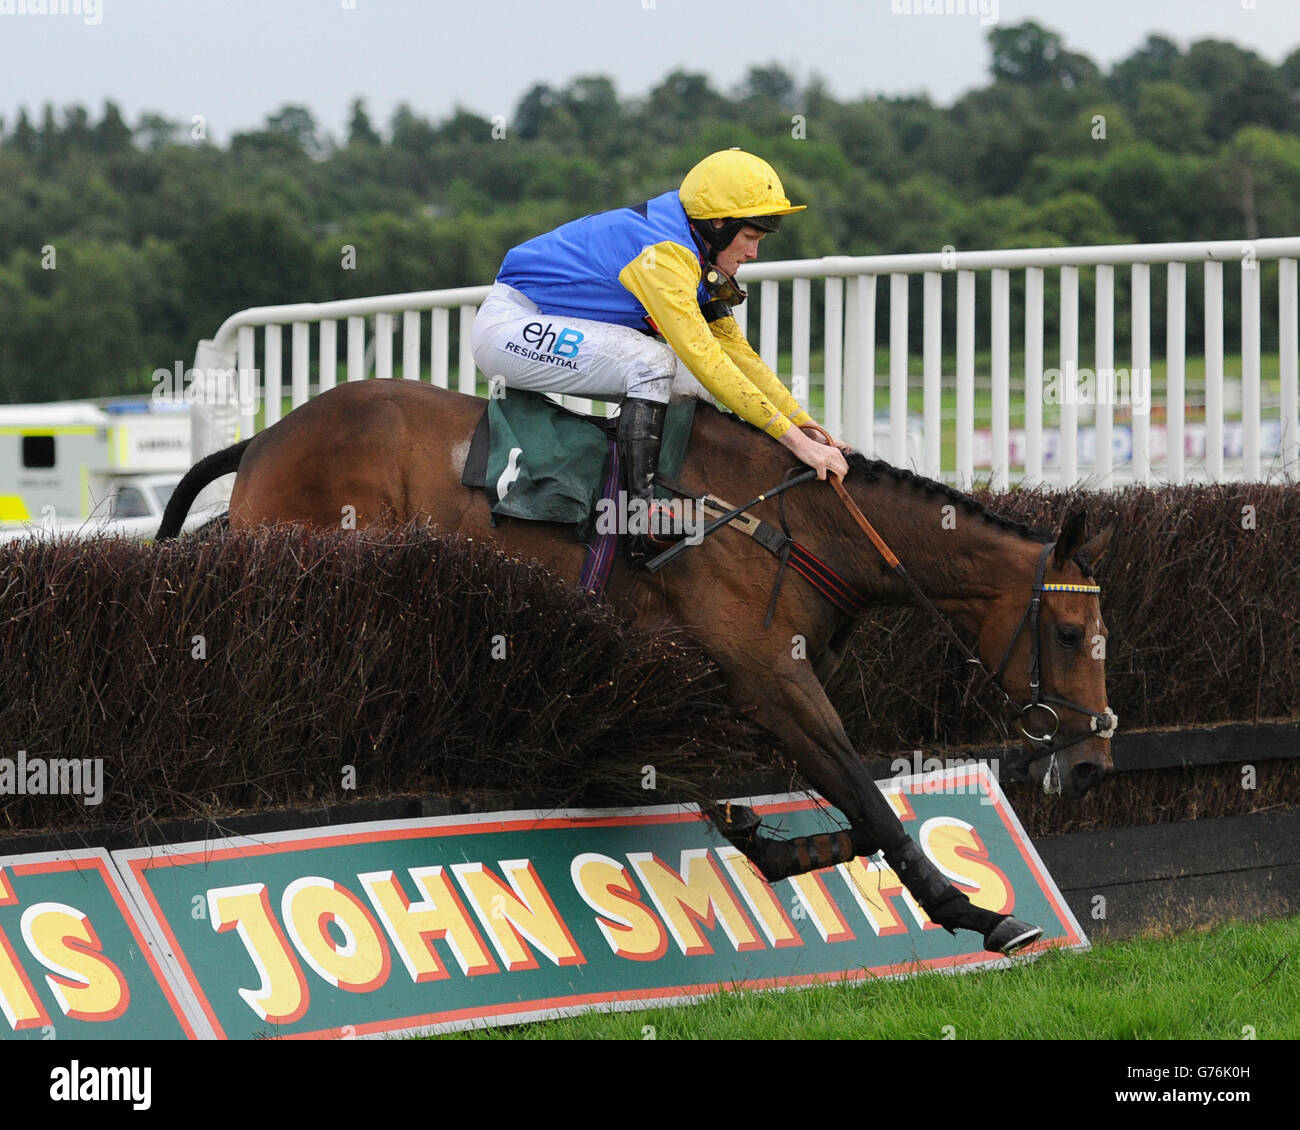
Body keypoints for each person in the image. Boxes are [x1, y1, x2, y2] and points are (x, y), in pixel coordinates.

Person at [470, 147, 850, 563]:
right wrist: (797, 444)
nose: (753, 254)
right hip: (510, 325)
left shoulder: (695, 247)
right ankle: (642, 515)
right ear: (718, 224)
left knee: (689, 383)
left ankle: (672, 492)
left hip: (539, 323)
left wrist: (808, 427)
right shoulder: (664, 255)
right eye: (750, 238)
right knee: (653, 363)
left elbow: (739, 357)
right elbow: (708, 359)